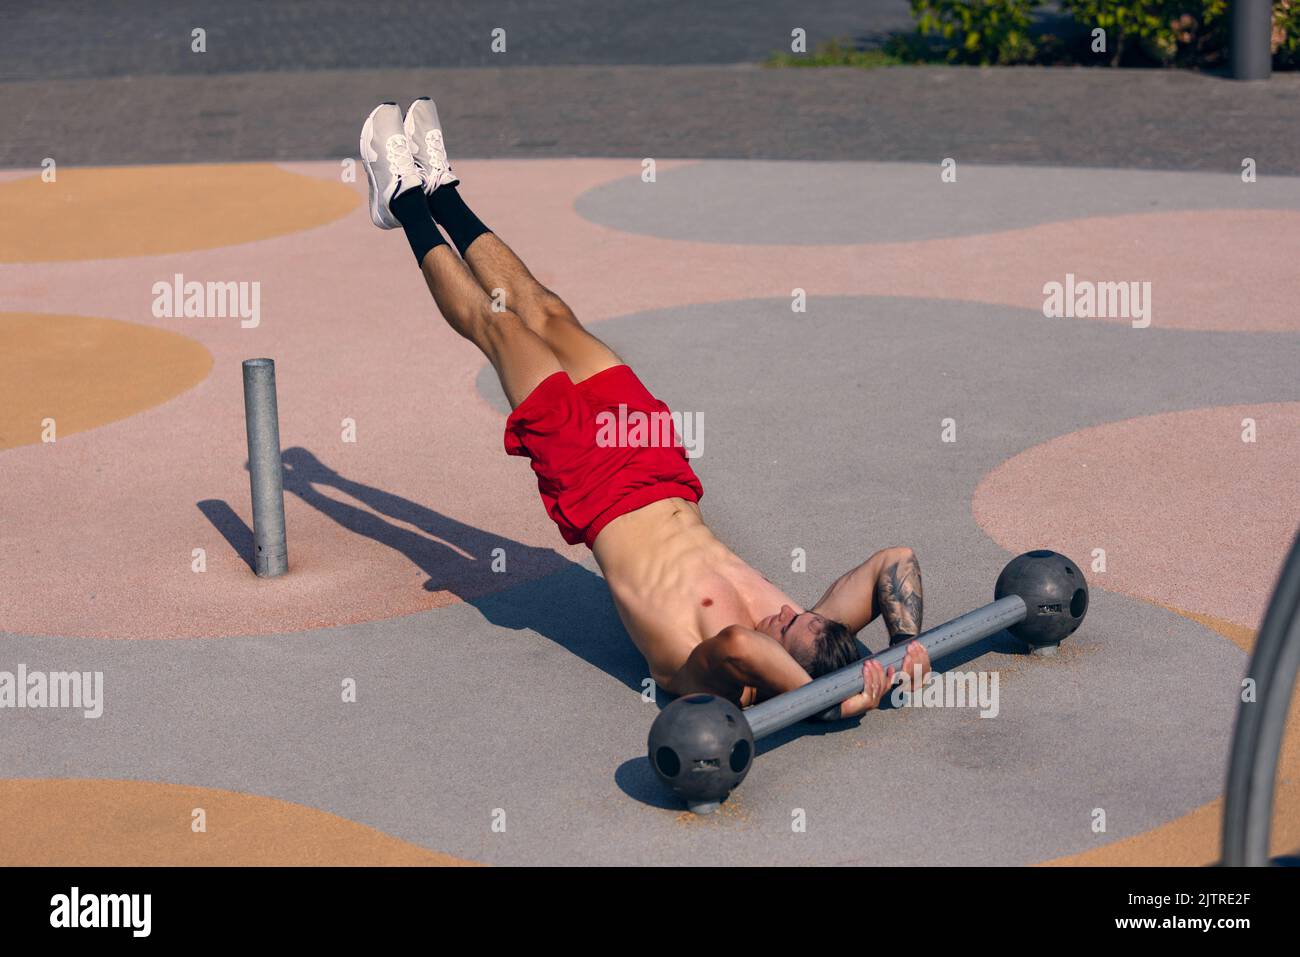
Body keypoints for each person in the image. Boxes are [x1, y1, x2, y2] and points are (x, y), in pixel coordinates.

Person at [360, 99, 931, 718]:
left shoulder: (709, 671)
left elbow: (743, 644)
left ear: (783, 672)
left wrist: (832, 704)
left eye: (788, 623)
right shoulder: (808, 634)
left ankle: (404, 202)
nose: (787, 608)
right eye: (800, 611)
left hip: (594, 484)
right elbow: (892, 559)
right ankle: (442, 192)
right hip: (655, 461)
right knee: (548, 311)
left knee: (497, 325)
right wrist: (908, 648)